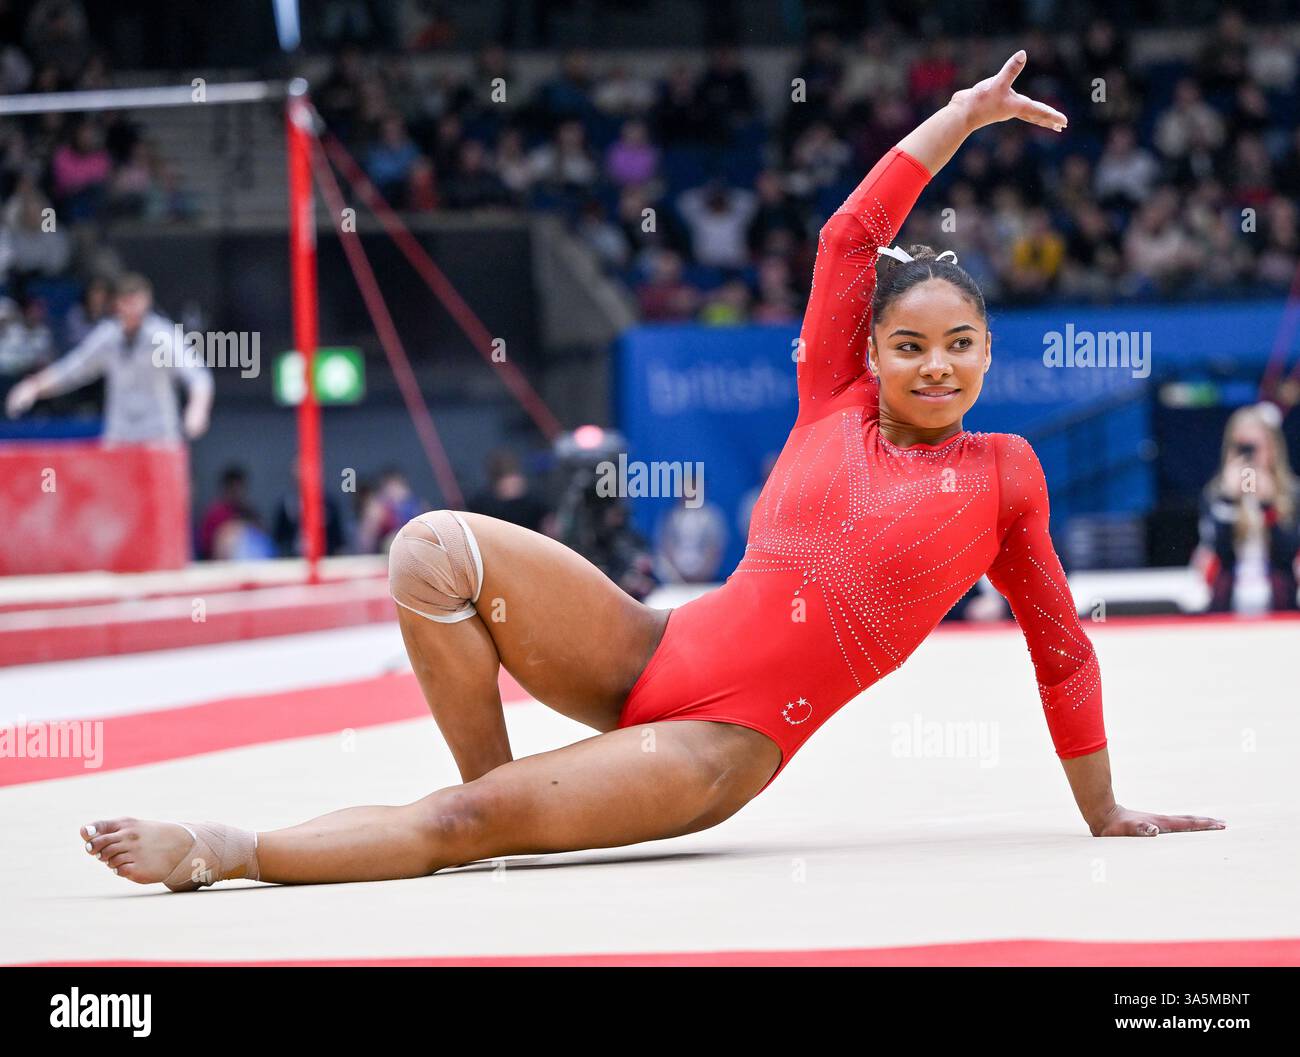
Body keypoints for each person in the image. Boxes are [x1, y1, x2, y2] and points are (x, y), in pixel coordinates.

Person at [77, 53, 1224, 893]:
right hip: (654, 650)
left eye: (959, 345)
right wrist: (960, 122)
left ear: (987, 355)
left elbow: (1059, 644)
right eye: (909, 344)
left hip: (722, 745)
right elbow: (844, 240)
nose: (934, 365)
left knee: (461, 821)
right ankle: (509, 806)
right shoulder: (830, 395)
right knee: (429, 547)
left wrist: (1103, 807)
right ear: (867, 353)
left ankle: (231, 849)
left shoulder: (1006, 475)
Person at [5, 272, 212, 445]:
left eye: (136, 302)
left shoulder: (163, 336)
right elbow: (74, 369)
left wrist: (197, 410)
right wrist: (33, 386)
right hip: (120, 434)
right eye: (126, 302)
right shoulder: (108, 336)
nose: (131, 309)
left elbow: (198, 377)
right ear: (117, 304)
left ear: (146, 302)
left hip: (159, 436)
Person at [1191, 404, 1300, 614]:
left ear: (1272, 447)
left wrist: (1269, 506)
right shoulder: (1216, 493)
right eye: (1242, 448)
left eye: (1255, 447)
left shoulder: (1292, 493)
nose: (1249, 457)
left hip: (1280, 605)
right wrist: (1229, 502)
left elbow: (1286, 555)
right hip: (1227, 606)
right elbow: (1219, 553)